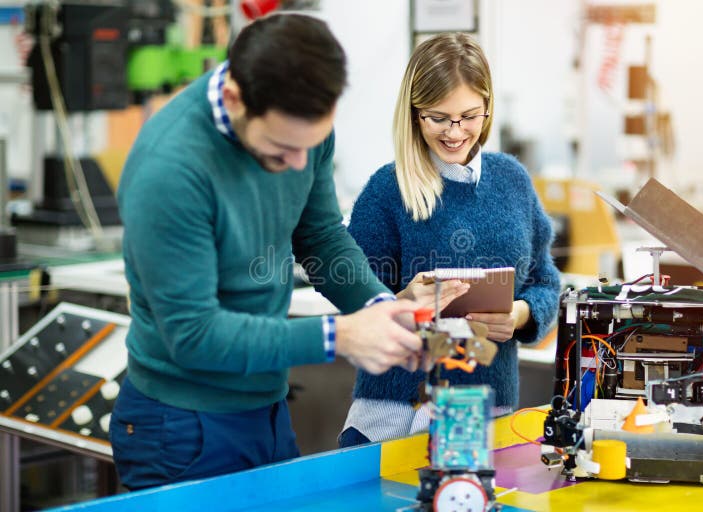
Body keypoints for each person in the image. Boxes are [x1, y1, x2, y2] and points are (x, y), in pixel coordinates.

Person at [111, 13, 424, 490]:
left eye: (312, 145)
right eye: (281, 151)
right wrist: (339, 336)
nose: (298, 164)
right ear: (235, 99)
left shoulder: (301, 122)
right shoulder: (170, 170)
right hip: (180, 424)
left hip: (267, 407)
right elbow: (193, 334)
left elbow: (319, 236)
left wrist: (382, 308)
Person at [339, 32, 561, 447]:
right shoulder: (388, 189)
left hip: (487, 415)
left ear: (488, 107)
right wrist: (400, 304)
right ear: (414, 113)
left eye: (469, 115)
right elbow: (354, 298)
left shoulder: (512, 180)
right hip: (394, 418)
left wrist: (520, 314)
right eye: (438, 117)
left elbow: (546, 282)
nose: (456, 132)